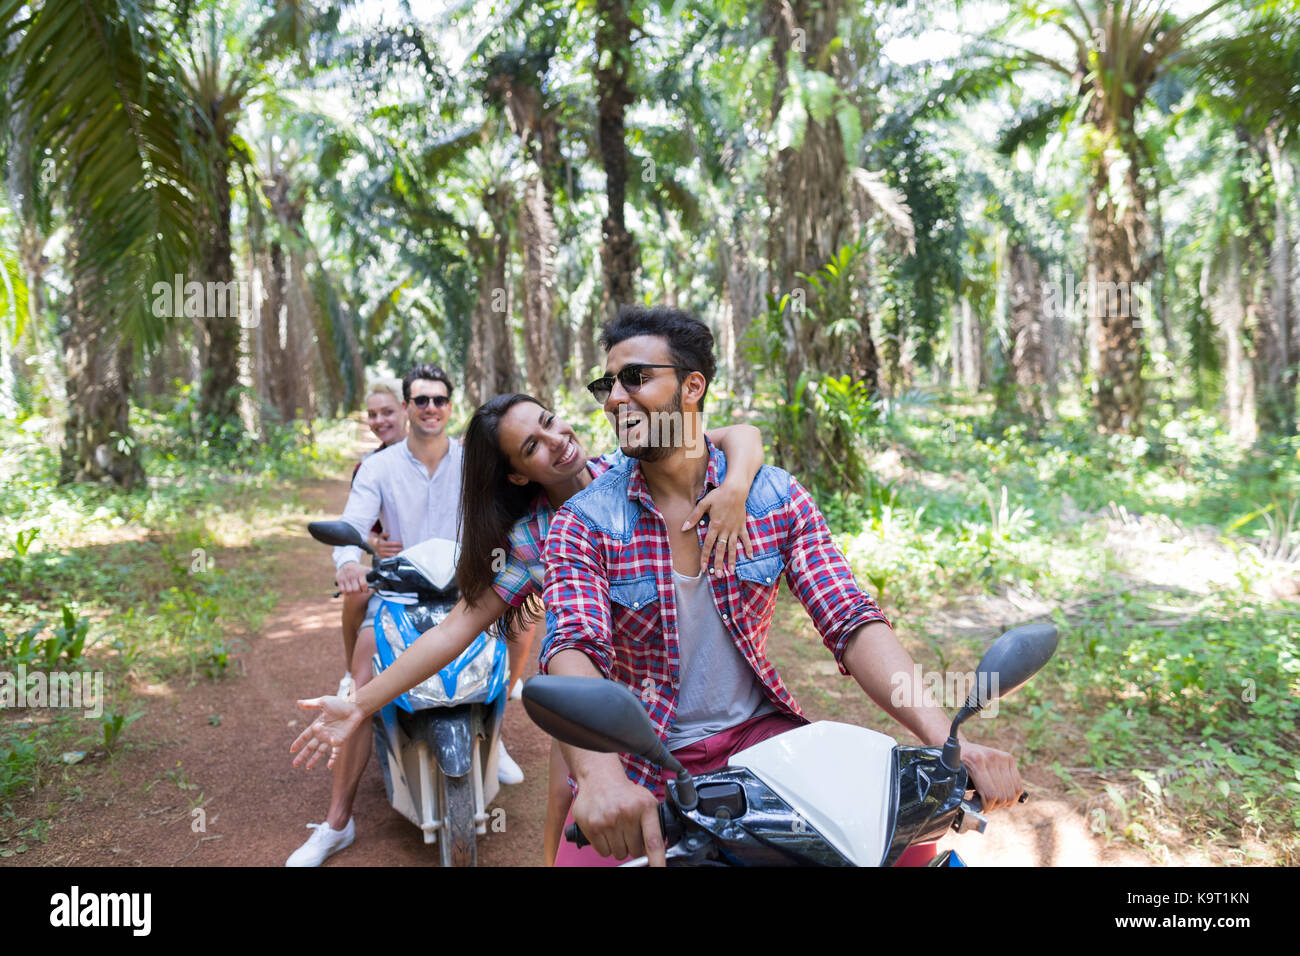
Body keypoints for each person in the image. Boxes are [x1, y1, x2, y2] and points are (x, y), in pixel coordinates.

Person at [540, 305, 1024, 867]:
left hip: (765, 748)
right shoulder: (585, 520)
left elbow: (848, 617)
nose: (615, 398)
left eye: (637, 378)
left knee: (904, 852)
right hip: (640, 764)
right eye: (607, 384)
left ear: (693, 386)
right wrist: (599, 777)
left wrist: (948, 737)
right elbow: (574, 646)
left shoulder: (774, 498)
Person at [290, 394, 767, 865]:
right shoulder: (532, 537)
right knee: (565, 803)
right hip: (594, 694)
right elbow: (454, 630)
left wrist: (736, 486)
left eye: (550, 422)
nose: (557, 440)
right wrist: (359, 704)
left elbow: (738, 435)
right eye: (533, 446)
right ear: (518, 475)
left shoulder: (632, 471)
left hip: (692, 695)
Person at [287, 363, 467, 867]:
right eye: (421, 400)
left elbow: (502, 513)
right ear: (408, 408)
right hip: (397, 595)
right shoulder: (378, 468)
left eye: (439, 400)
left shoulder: (475, 462)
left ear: (450, 406)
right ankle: (337, 824)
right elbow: (352, 524)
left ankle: (491, 737)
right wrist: (348, 563)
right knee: (358, 685)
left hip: (464, 598)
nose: (430, 408)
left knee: (515, 634)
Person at [337, 380, 408, 698]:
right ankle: (352, 675)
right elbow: (358, 524)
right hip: (391, 566)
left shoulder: (445, 458)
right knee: (355, 596)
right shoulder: (367, 467)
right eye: (372, 414)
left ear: (406, 410)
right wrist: (375, 545)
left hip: (441, 564)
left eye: (387, 412)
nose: (380, 421)